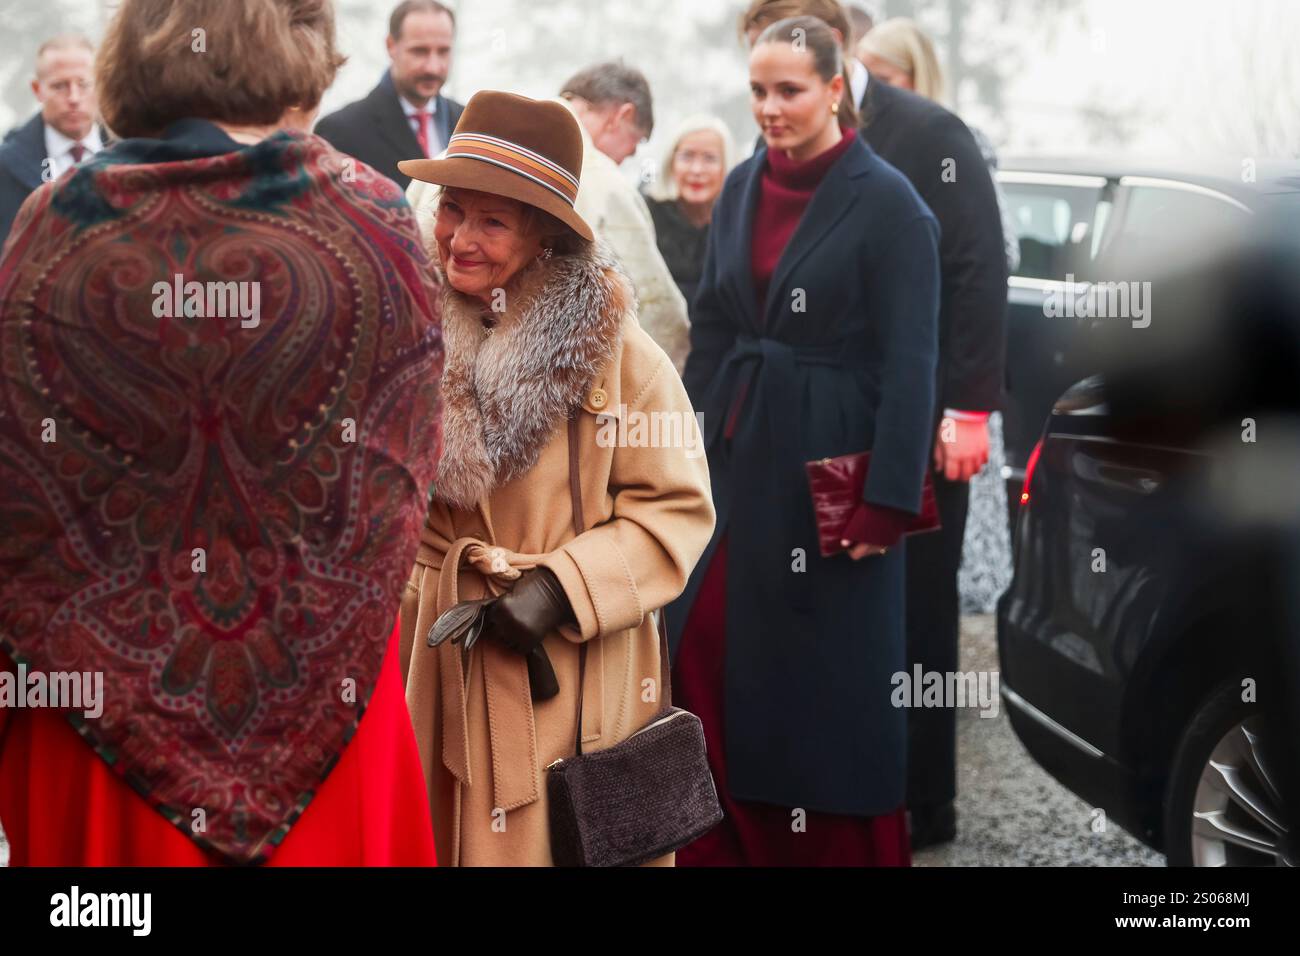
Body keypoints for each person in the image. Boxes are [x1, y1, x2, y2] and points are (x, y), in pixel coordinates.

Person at [0, 0, 444, 867]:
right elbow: (401, 475)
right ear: (299, 44)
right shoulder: (376, 224)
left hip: (99, 725)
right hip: (329, 704)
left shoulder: (52, 228)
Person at [396, 90, 716, 866]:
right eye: (451, 209)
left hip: (564, 672)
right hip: (431, 653)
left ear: (545, 234)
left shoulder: (620, 355)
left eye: (492, 221)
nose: (458, 239)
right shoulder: (406, 330)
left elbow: (676, 512)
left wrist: (560, 588)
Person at [664, 15, 940, 866]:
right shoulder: (744, 184)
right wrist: (682, 447)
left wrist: (887, 501)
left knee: (824, 683)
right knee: (706, 643)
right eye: (757, 91)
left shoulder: (891, 200)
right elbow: (712, 325)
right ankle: (718, 842)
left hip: (834, 472)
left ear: (833, 89)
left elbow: (912, 361)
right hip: (741, 459)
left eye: (788, 90)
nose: (770, 108)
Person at [741, 0, 1009, 850]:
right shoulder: (776, 133)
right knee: (833, 626)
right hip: (805, 424)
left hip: (914, 423)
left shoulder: (929, 131)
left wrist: (969, 409)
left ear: (838, 38)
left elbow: (976, 269)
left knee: (919, 617)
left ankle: (923, 804)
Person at [314, 0, 465, 191]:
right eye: (419, 51)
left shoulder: (469, 124)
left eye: (443, 51)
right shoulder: (340, 133)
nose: (433, 67)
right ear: (391, 46)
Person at [0, 36, 105, 244]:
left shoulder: (136, 155)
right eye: (59, 86)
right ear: (38, 90)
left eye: (84, 84)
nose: (74, 98)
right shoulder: (6, 168)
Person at [643, 115, 735, 308]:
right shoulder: (647, 214)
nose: (697, 169)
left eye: (710, 158)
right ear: (671, 162)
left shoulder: (739, 221)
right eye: (687, 156)